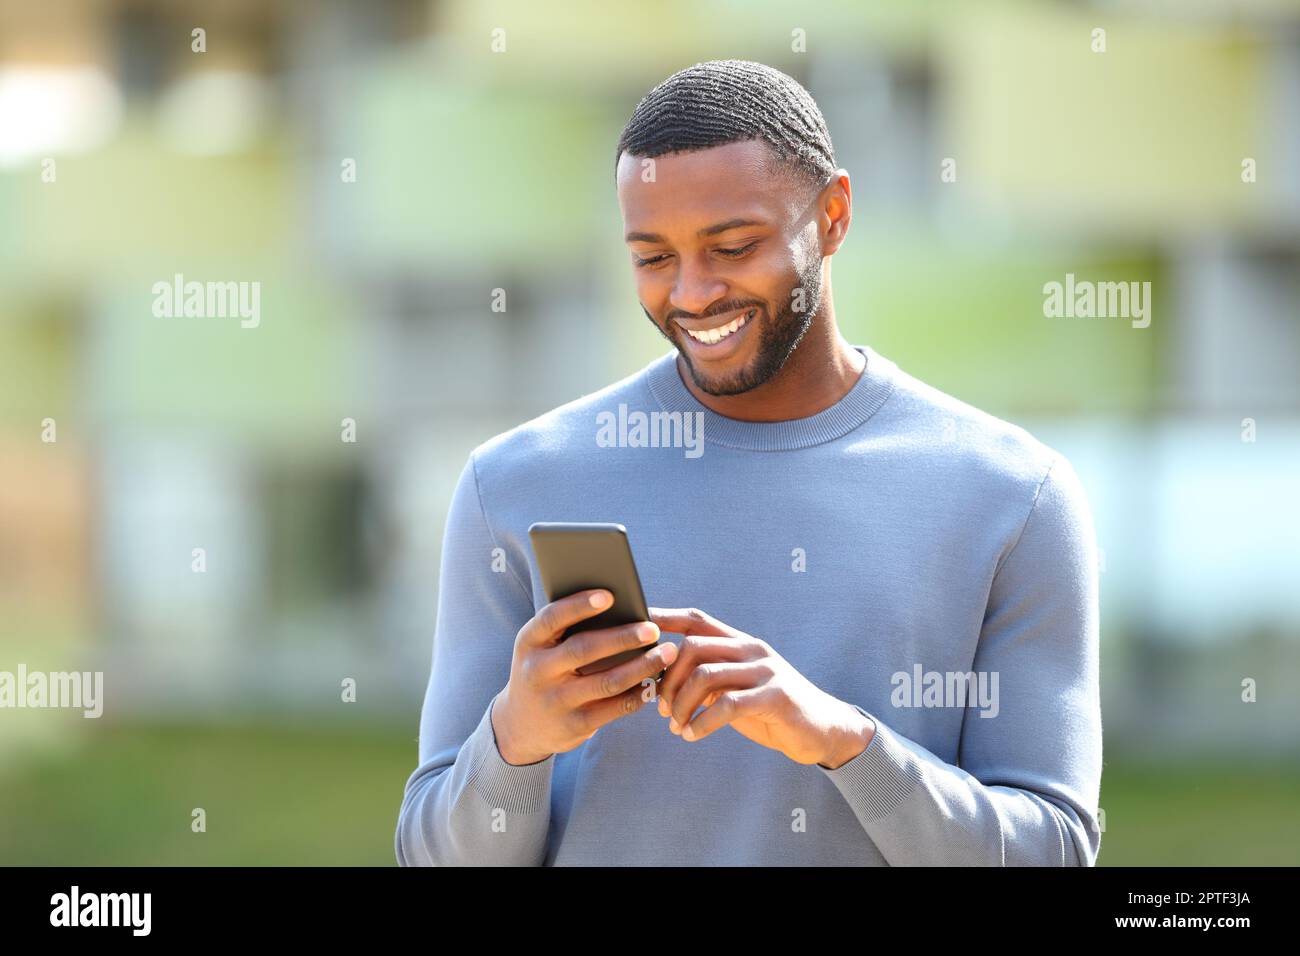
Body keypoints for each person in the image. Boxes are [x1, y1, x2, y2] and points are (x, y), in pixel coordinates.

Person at [394, 59, 1102, 866]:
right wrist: (514, 741)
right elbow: (432, 855)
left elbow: (1054, 852)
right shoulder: (513, 483)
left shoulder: (1012, 496)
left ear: (832, 214)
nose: (693, 295)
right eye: (653, 257)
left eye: (733, 246)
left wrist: (843, 741)